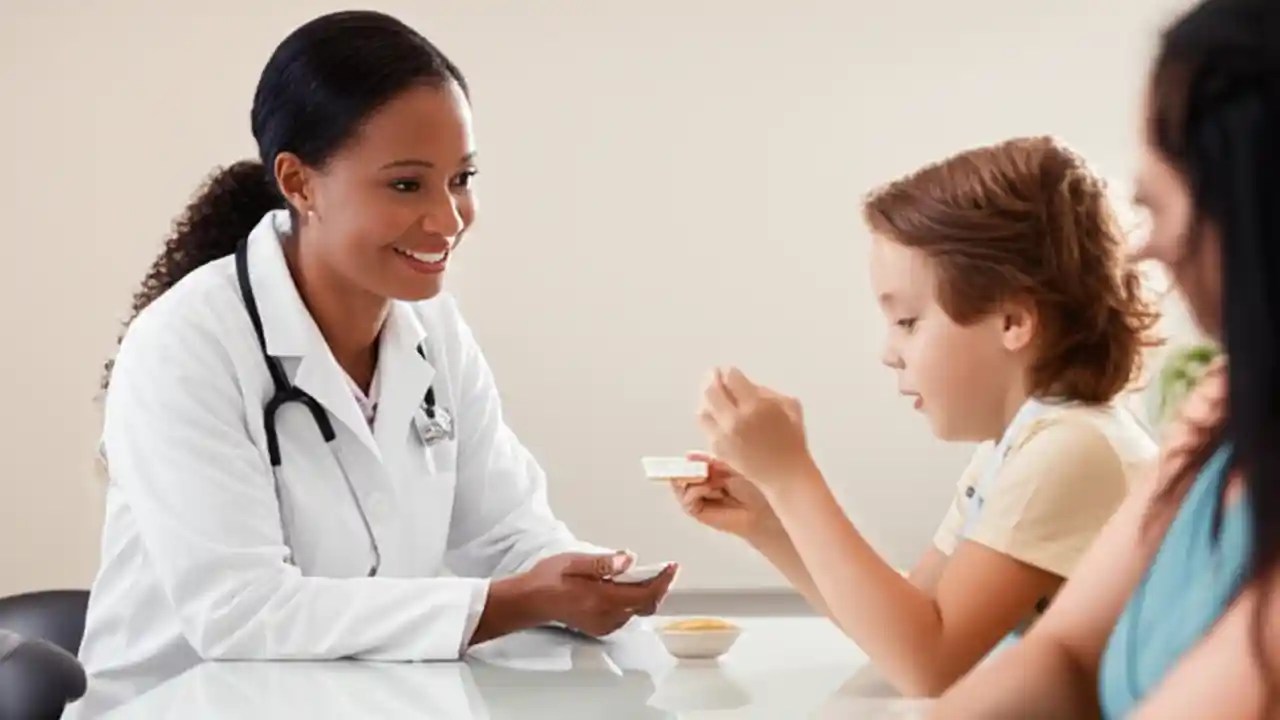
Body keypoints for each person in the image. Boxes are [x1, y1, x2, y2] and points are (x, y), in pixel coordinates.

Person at [79, 10, 675, 690]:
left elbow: (509, 532)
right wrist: (516, 602)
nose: (449, 220)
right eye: (406, 184)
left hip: (356, 699)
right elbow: (241, 613)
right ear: (300, 184)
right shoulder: (185, 346)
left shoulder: (432, 331)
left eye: (462, 178)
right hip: (180, 705)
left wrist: (592, 576)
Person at [673, 136, 1160, 696]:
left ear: (1012, 322)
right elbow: (905, 620)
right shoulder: (1018, 444)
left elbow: (927, 663)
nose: (889, 351)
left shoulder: (1072, 447)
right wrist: (770, 524)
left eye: (907, 322)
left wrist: (792, 478)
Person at [934, 0, 1280, 717]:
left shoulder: (1070, 444)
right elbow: (1060, 656)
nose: (1145, 246)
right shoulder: (1225, 399)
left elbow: (927, 648)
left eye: (1158, 208)